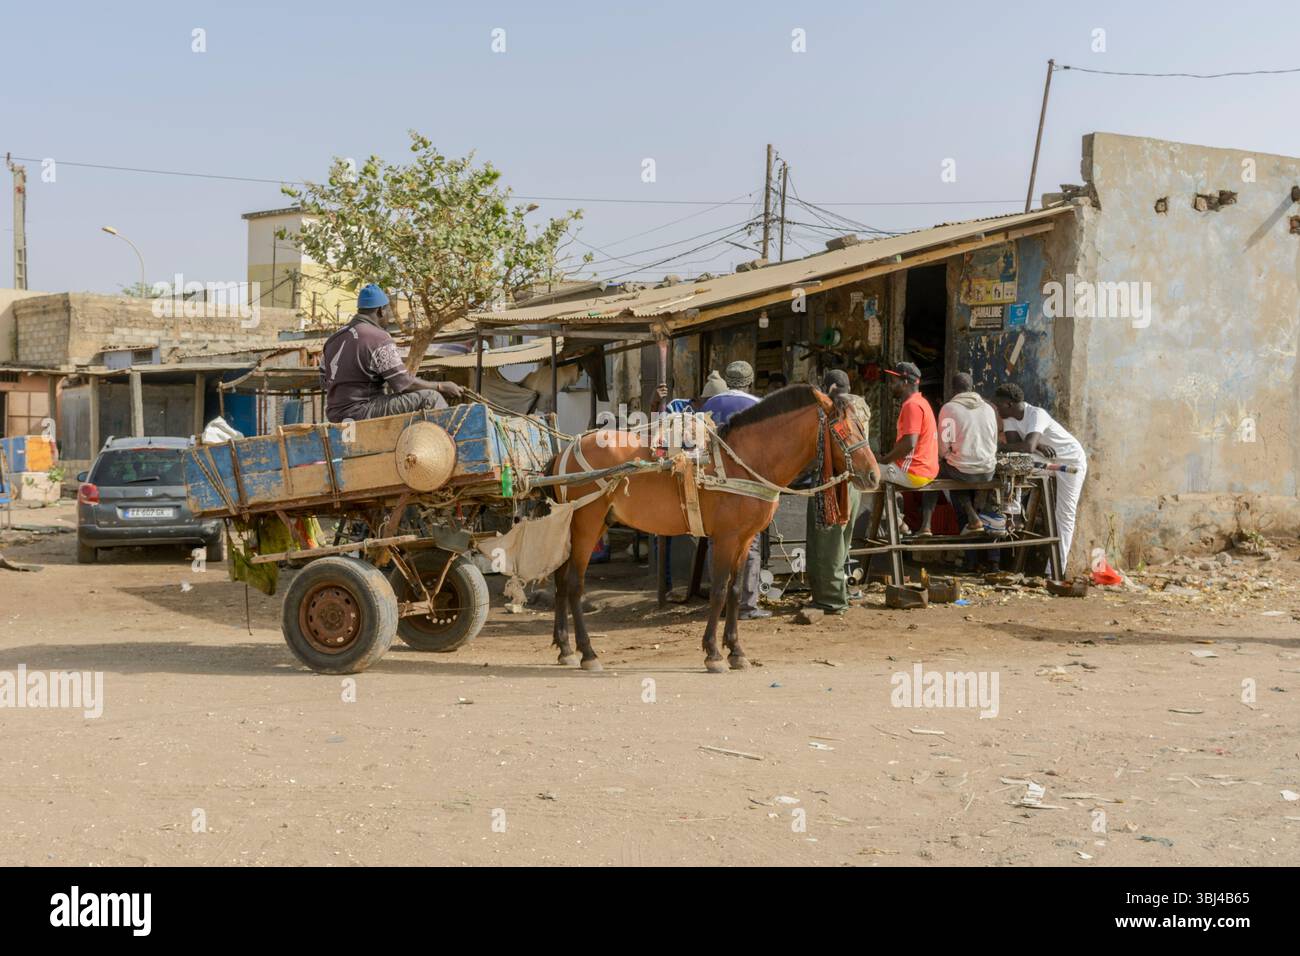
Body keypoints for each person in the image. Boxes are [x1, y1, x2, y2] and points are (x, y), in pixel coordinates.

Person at [319, 284, 462, 423]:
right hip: (362, 412)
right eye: (388, 312)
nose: (389, 317)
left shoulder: (332, 340)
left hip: (335, 415)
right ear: (381, 311)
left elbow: (324, 382)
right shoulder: (378, 338)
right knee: (431, 397)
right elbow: (403, 383)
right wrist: (441, 386)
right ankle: (450, 444)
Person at [991, 382, 1087, 574]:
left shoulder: (1037, 414)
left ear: (1009, 403)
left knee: (1064, 516)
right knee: (1012, 462)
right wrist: (1037, 446)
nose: (996, 409)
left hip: (1071, 461)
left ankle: (1054, 570)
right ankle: (1014, 510)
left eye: (998, 404)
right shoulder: (1009, 417)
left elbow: (1025, 447)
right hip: (1045, 460)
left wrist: (1002, 447)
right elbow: (1018, 447)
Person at [699, 360, 769, 620]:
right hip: (746, 489)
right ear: (749, 381)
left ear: (727, 381)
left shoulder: (710, 404)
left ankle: (718, 603)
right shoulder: (757, 405)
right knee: (749, 545)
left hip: (715, 486)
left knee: (716, 542)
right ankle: (747, 606)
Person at [803, 369, 865, 614]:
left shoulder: (833, 410)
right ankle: (835, 594)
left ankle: (830, 600)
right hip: (853, 484)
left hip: (832, 483)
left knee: (826, 544)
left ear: (828, 390)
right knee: (842, 543)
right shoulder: (861, 406)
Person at [919, 371, 998, 535]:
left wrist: (945, 457)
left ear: (953, 389)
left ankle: (926, 526)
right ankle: (973, 518)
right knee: (954, 469)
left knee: (934, 472)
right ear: (972, 388)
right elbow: (994, 441)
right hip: (988, 471)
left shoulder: (949, 408)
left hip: (962, 471)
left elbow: (942, 446)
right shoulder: (989, 409)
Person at [874, 361, 938, 534]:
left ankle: (896, 522)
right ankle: (895, 513)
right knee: (881, 472)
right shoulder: (921, 402)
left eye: (894, 381)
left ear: (906, 383)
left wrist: (885, 459)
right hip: (926, 470)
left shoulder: (912, 406)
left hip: (915, 472)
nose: (891, 385)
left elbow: (909, 443)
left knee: (870, 472)